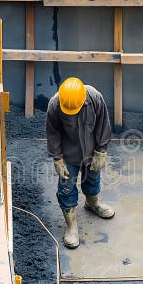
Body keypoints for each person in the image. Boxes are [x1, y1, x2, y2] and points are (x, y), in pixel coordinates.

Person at [46, 77, 115, 249]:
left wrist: (101, 150)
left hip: (91, 151)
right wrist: (57, 158)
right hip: (69, 154)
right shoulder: (55, 105)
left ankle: (93, 203)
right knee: (66, 187)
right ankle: (71, 227)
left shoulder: (94, 98)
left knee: (92, 178)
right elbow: (53, 133)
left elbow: (103, 124)